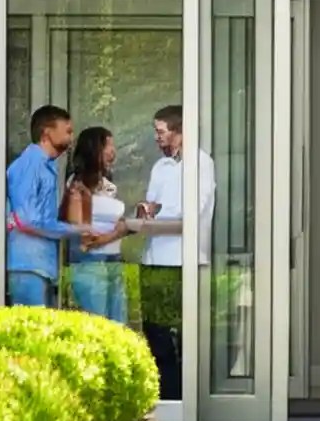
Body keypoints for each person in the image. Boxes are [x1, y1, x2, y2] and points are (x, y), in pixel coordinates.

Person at [138, 105, 216, 401]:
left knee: (184, 334)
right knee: (155, 332)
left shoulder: (200, 163)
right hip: (154, 259)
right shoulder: (159, 168)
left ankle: (187, 399)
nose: (157, 138)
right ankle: (166, 397)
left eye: (161, 132)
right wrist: (146, 212)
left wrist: (155, 214)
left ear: (180, 131)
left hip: (183, 260)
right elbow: (151, 207)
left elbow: (191, 211)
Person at [5, 105, 91, 307]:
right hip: (28, 265)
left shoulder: (46, 165)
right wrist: (75, 230)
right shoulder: (30, 163)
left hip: (41, 265)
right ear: (47, 132)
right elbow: (27, 220)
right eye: (67, 131)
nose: (71, 138)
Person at [63, 126, 129, 324]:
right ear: (93, 150)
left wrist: (122, 228)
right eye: (106, 145)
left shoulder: (108, 186)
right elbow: (84, 238)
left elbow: (117, 224)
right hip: (90, 264)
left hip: (114, 262)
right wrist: (118, 232)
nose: (112, 151)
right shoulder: (77, 187)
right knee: (98, 326)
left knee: (120, 328)